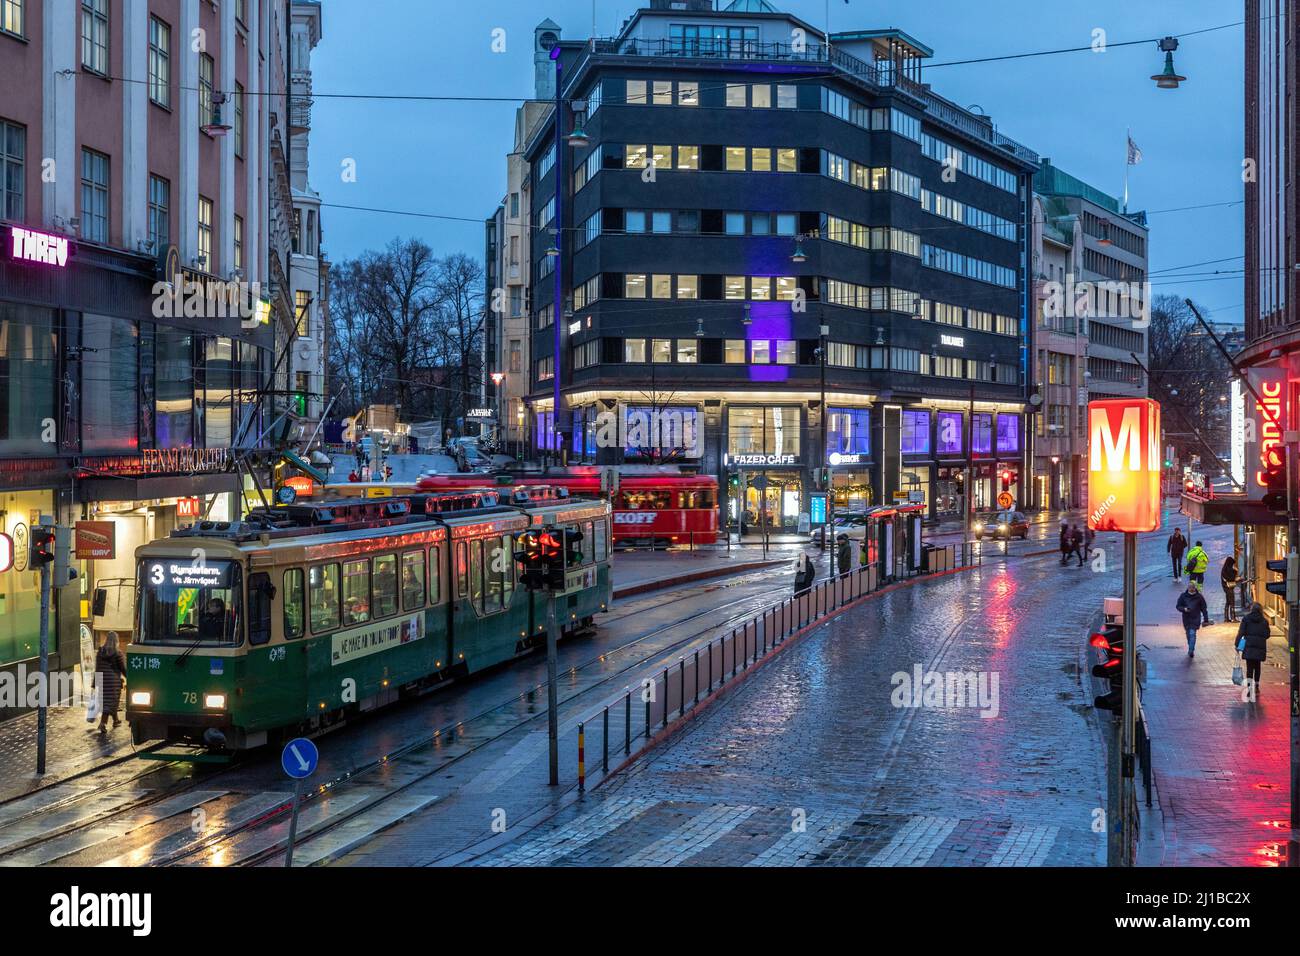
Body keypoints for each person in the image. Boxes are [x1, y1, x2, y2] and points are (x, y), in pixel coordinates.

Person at [1236, 601, 1270, 702]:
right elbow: (1267, 634)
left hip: (1249, 646)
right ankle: (1257, 686)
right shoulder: (1264, 621)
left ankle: (1250, 688)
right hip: (1259, 647)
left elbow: (1241, 632)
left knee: (1249, 667)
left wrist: (1237, 644)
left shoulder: (1246, 619)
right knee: (1257, 666)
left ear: (1251, 609)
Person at [95, 632, 127, 733]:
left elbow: (97, 667)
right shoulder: (117, 653)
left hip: (102, 680)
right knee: (110, 703)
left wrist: (95, 682)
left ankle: (116, 720)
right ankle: (103, 723)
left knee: (108, 702)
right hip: (113, 682)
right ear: (116, 640)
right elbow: (123, 668)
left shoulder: (100, 652)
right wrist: (129, 677)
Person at [1175, 581, 1210, 659]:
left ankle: (1191, 650)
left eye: (1193, 587)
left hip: (1195, 618)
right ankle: (1190, 646)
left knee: (1192, 634)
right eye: (1190, 587)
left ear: (1195, 588)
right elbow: (1178, 606)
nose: (1191, 589)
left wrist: (1206, 619)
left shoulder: (1199, 597)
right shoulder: (1183, 596)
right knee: (1188, 634)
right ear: (1188, 588)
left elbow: (1204, 609)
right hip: (1186, 619)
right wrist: (1184, 609)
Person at [1220, 555, 1240, 623]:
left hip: (1225, 587)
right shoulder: (1228, 570)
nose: (1233, 565)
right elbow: (1231, 578)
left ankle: (1226, 618)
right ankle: (1233, 618)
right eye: (1232, 564)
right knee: (1232, 602)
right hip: (1229, 588)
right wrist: (1235, 571)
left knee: (1228, 602)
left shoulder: (1224, 569)